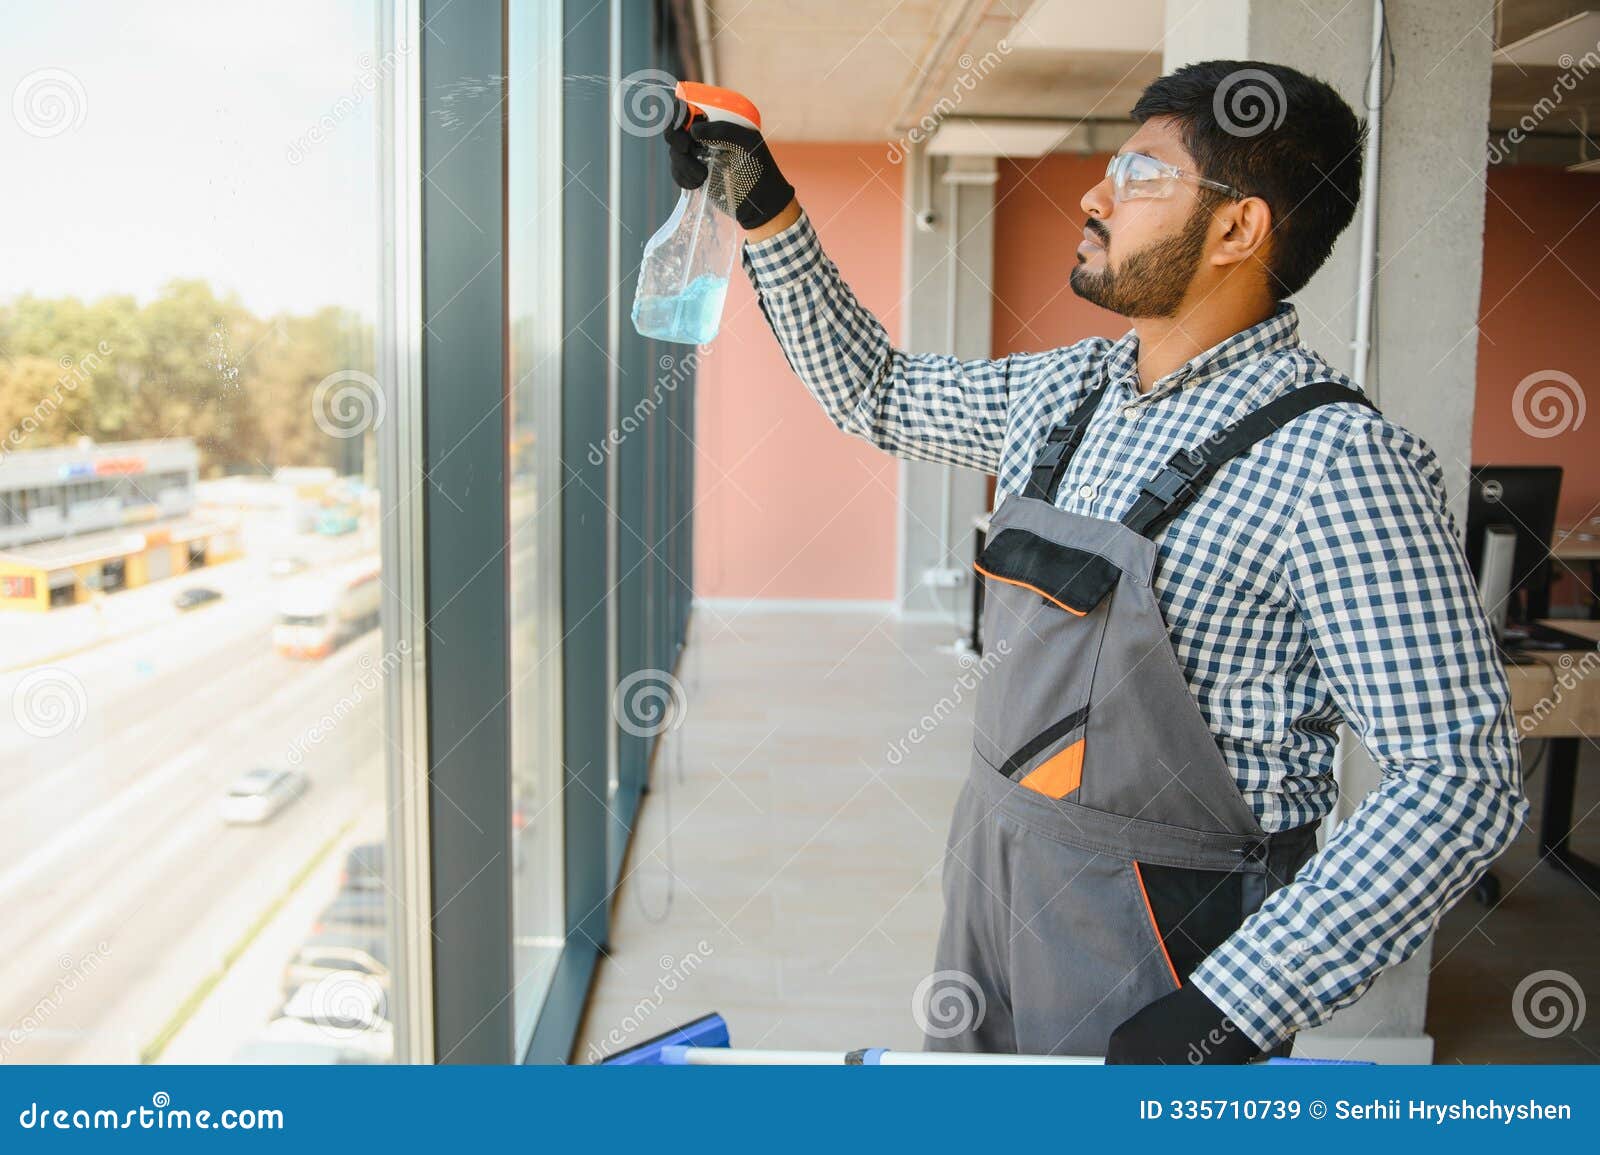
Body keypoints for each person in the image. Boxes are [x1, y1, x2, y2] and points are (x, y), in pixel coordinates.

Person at [661, 60, 1525, 1064]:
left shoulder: (1333, 463)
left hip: (1165, 932)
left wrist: (1236, 1005)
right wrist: (764, 205)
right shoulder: (1070, 389)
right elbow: (878, 393)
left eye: (1139, 173)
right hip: (996, 865)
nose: (1093, 192)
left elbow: (1458, 776)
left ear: (1237, 230)